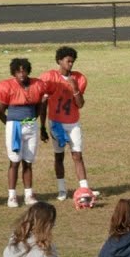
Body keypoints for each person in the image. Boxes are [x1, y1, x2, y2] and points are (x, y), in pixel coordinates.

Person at [39, 46, 92, 202]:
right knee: (59, 156)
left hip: (73, 122)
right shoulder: (49, 77)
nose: (70, 64)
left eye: (72, 61)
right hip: (56, 123)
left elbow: (80, 104)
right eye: (68, 61)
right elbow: (43, 104)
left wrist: (75, 88)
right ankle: (62, 189)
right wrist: (42, 126)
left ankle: (84, 188)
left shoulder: (79, 78)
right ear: (59, 61)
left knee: (77, 155)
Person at [0, 57, 48, 208]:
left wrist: (34, 123)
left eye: (24, 70)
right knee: (14, 161)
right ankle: (12, 196)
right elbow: (0, 112)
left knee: (28, 161)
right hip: (14, 125)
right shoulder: (7, 87)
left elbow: (39, 107)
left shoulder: (37, 85)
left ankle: (28, 194)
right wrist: (11, 125)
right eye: (18, 71)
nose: (22, 74)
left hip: (31, 125)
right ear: (14, 72)